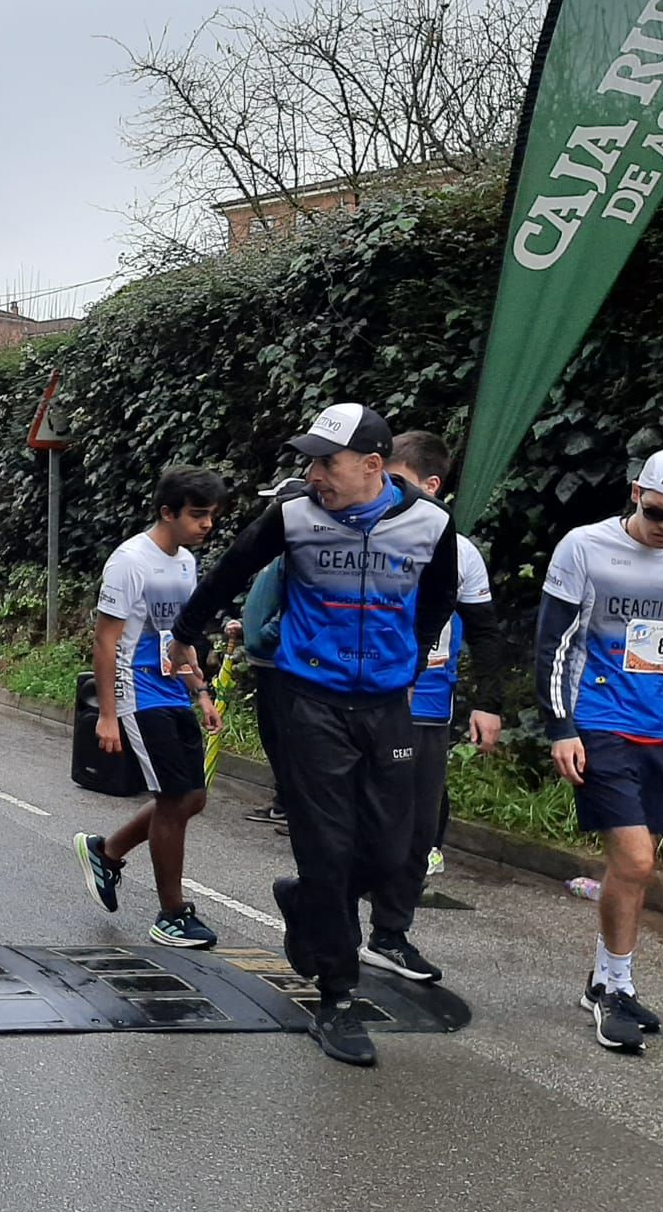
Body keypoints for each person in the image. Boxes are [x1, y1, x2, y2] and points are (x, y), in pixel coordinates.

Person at [169, 403, 456, 1067]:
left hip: (386, 701)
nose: (314, 473)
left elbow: (441, 596)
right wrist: (186, 634)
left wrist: (409, 656)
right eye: (312, 461)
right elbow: (230, 573)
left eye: (327, 462)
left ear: (372, 466)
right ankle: (337, 996)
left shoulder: (430, 524)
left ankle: (305, 902)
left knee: (391, 853)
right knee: (327, 846)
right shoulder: (294, 515)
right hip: (307, 696)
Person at [536, 447, 663, 1054]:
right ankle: (615, 988)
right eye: (658, 511)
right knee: (638, 860)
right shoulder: (585, 547)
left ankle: (603, 980)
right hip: (600, 721)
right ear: (635, 493)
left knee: (632, 867)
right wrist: (560, 726)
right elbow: (555, 644)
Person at [360, 431, 505, 985]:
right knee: (350, 820)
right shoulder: (359, 533)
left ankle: (390, 935)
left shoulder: (457, 549)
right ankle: (324, 912)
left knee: (418, 830)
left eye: (395, 481)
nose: (384, 491)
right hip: (358, 702)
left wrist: (487, 703)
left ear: (431, 485)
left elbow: (487, 632)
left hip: (424, 710)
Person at [72, 467, 230, 948]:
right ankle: (172, 913)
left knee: (192, 798)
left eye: (212, 517)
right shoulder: (130, 560)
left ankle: (109, 850)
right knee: (174, 798)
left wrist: (200, 690)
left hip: (172, 690)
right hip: (137, 694)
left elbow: (180, 637)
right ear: (168, 512)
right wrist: (107, 712)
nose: (207, 526)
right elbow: (105, 640)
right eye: (198, 515)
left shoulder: (185, 563)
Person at [238, 477, 308, 829]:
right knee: (274, 735)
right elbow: (267, 601)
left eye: (276, 504)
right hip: (265, 660)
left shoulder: (297, 555)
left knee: (286, 738)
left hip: (279, 661)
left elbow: (292, 609)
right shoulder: (278, 553)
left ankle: (292, 806)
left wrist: (263, 637)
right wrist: (244, 625)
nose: (270, 511)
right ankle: (284, 801)